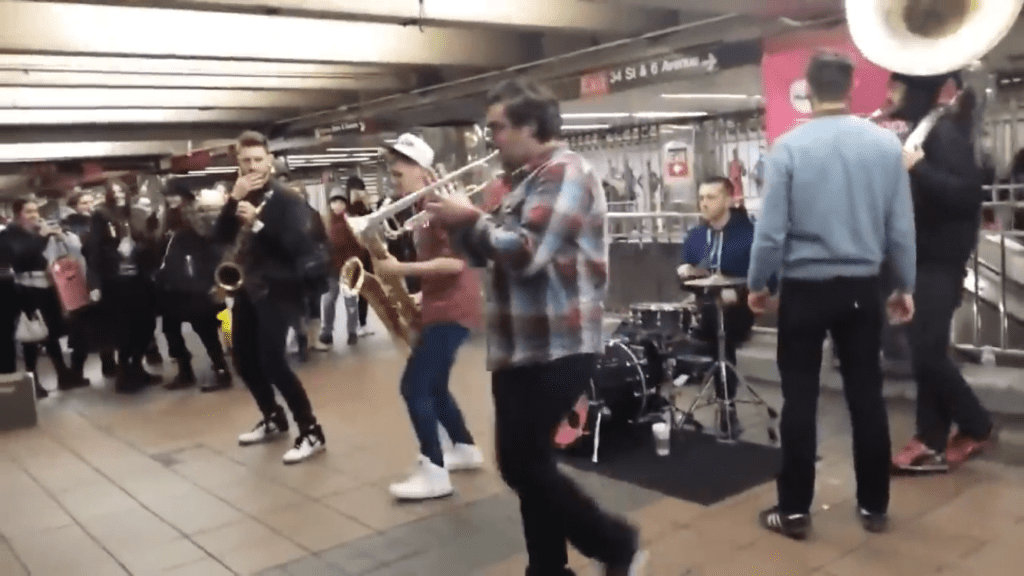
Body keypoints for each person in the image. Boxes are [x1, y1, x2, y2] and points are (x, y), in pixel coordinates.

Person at [426, 77, 647, 576]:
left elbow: (527, 253)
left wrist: (471, 218)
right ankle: (547, 567)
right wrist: (457, 222)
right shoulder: (523, 181)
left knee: (523, 463)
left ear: (530, 125)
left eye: (498, 128)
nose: (492, 139)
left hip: (560, 344)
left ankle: (617, 545)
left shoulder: (567, 172)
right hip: (518, 345)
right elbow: (485, 256)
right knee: (528, 464)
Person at [746, 52, 917, 539]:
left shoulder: (788, 148)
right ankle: (874, 506)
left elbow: (771, 233)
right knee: (867, 395)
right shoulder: (886, 146)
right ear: (852, 85)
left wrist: (759, 284)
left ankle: (795, 511)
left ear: (808, 87)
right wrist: (904, 285)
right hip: (863, 288)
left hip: (803, 289)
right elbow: (900, 229)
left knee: (799, 398)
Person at [886, 72, 994, 473]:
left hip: (939, 263)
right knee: (923, 352)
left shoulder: (944, 133)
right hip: (923, 260)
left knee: (927, 352)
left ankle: (976, 424)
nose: (888, 95)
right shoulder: (925, 131)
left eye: (895, 87)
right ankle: (929, 435)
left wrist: (917, 169)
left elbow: (967, 195)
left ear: (914, 91)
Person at [373, 133, 485, 501]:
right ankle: (464, 449)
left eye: (399, 171)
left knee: (414, 386)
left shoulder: (440, 203)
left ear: (421, 170)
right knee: (434, 385)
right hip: (444, 304)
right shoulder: (425, 204)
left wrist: (402, 268)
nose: (394, 177)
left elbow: (455, 263)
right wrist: (421, 291)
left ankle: (435, 473)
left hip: (453, 308)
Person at [213, 130, 326, 465]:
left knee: (273, 360)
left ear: (270, 161)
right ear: (237, 163)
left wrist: (259, 224)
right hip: (249, 288)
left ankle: (311, 430)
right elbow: (219, 236)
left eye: (258, 160)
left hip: (282, 289)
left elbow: (298, 247)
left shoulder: (287, 200)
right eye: (245, 161)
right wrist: (233, 200)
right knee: (243, 358)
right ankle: (273, 416)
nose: (252, 166)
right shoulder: (240, 197)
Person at [676, 176, 757, 439]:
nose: (704, 203)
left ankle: (727, 405)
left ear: (729, 199)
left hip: (738, 309)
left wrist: (741, 292)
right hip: (704, 304)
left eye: (711, 197)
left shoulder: (748, 235)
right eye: (701, 198)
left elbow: (761, 276)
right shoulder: (696, 236)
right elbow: (688, 277)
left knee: (718, 327)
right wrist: (686, 271)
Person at [154, 178, 233, 392]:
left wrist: (213, 281)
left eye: (174, 194)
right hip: (173, 285)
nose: (170, 198)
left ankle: (221, 369)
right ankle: (185, 370)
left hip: (197, 285)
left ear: (185, 195)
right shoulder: (167, 218)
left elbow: (214, 249)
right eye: (167, 194)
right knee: (171, 329)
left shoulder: (199, 216)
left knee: (206, 327)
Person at [315, 190, 363, 349]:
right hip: (331, 269)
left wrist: (353, 262)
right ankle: (327, 332)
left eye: (342, 202)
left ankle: (352, 332)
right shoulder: (324, 223)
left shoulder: (351, 223)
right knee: (328, 301)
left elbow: (360, 246)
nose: (338, 205)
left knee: (350, 302)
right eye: (335, 202)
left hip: (348, 268)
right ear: (329, 204)